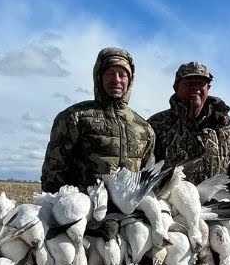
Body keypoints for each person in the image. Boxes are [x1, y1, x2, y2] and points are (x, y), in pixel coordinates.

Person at [40, 47, 154, 192]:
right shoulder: (74, 118)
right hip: (82, 209)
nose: (116, 80)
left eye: (122, 75)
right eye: (110, 73)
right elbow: (53, 172)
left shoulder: (144, 128)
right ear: (99, 77)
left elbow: (146, 177)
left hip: (127, 211)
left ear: (130, 80)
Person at [147, 61, 230, 184]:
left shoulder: (228, 128)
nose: (195, 87)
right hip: (168, 201)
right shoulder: (156, 125)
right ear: (176, 88)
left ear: (208, 88)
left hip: (216, 202)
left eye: (200, 83)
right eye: (188, 83)